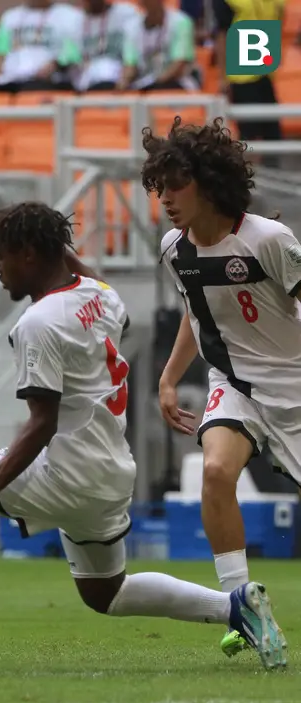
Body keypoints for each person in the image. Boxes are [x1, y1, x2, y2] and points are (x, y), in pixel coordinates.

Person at [0, 202, 287, 671]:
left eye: (2, 257)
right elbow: (83, 282)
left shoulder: (37, 324)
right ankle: (235, 606)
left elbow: (42, 423)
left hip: (66, 471)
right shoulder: (102, 295)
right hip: (109, 472)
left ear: (30, 256)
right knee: (106, 592)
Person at [148, 118, 301, 661]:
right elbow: (197, 313)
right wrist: (168, 378)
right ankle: (244, 607)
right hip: (233, 384)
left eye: (176, 185)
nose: (165, 198)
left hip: (294, 386)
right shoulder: (175, 248)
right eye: (158, 186)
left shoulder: (269, 240)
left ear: (209, 182)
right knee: (215, 472)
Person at [213, 0, 284, 159]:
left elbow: (278, 17)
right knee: (248, 136)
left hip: (266, 72)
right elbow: (222, 34)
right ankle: (248, 177)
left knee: (273, 134)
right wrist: (223, 77)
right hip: (241, 75)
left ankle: (273, 174)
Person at [0, 0, 84, 92]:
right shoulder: (10, 17)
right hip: (11, 81)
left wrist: (55, 65)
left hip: (49, 81)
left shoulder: (70, 16)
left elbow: (73, 54)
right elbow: (0, 55)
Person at [124, 0, 199, 91]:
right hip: (144, 82)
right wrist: (124, 82)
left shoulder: (181, 22)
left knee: (164, 88)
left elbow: (179, 64)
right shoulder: (132, 27)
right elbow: (130, 65)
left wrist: (155, 84)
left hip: (177, 82)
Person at [72, 0, 141, 92]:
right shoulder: (75, 19)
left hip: (119, 77)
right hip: (88, 82)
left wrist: (126, 76)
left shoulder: (126, 13)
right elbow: (72, 60)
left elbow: (134, 53)